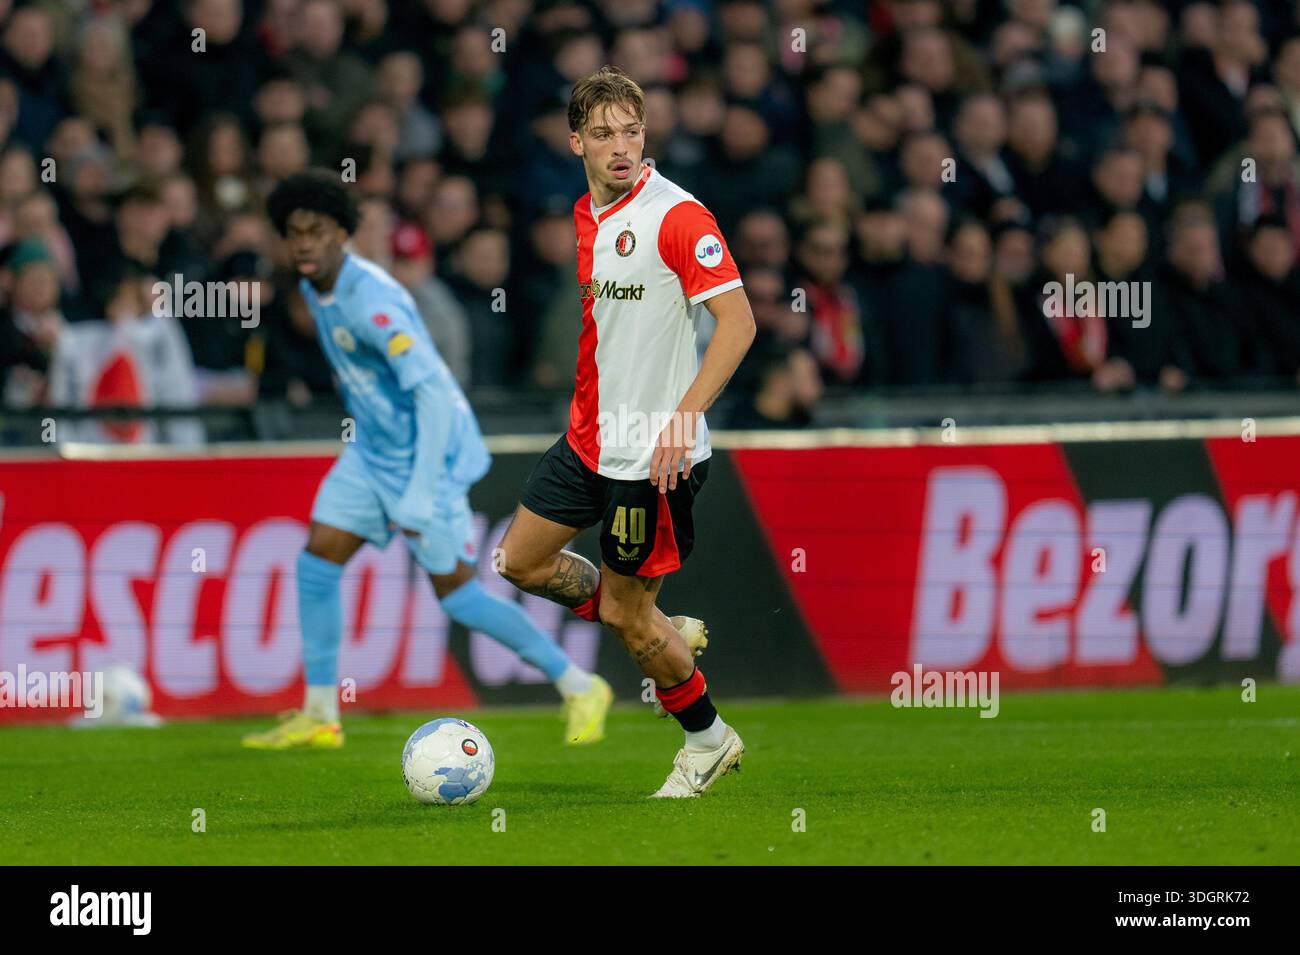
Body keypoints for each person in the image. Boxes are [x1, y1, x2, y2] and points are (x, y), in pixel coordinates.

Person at [242, 169, 608, 751]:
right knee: (316, 565)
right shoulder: (314, 286)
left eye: (315, 231)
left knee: (459, 596)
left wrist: (417, 490)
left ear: (342, 231)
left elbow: (434, 395)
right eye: (294, 233)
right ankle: (319, 713)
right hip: (372, 452)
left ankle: (580, 684)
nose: (304, 244)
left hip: (427, 458)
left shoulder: (376, 301)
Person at [495, 67, 757, 798]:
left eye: (632, 131)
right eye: (604, 133)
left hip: (653, 458)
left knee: (622, 617)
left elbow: (738, 323)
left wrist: (686, 412)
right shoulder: (585, 214)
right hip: (588, 441)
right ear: (575, 140)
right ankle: (661, 620)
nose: (621, 146)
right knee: (518, 561)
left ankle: (708, 739)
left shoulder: (679, 217)